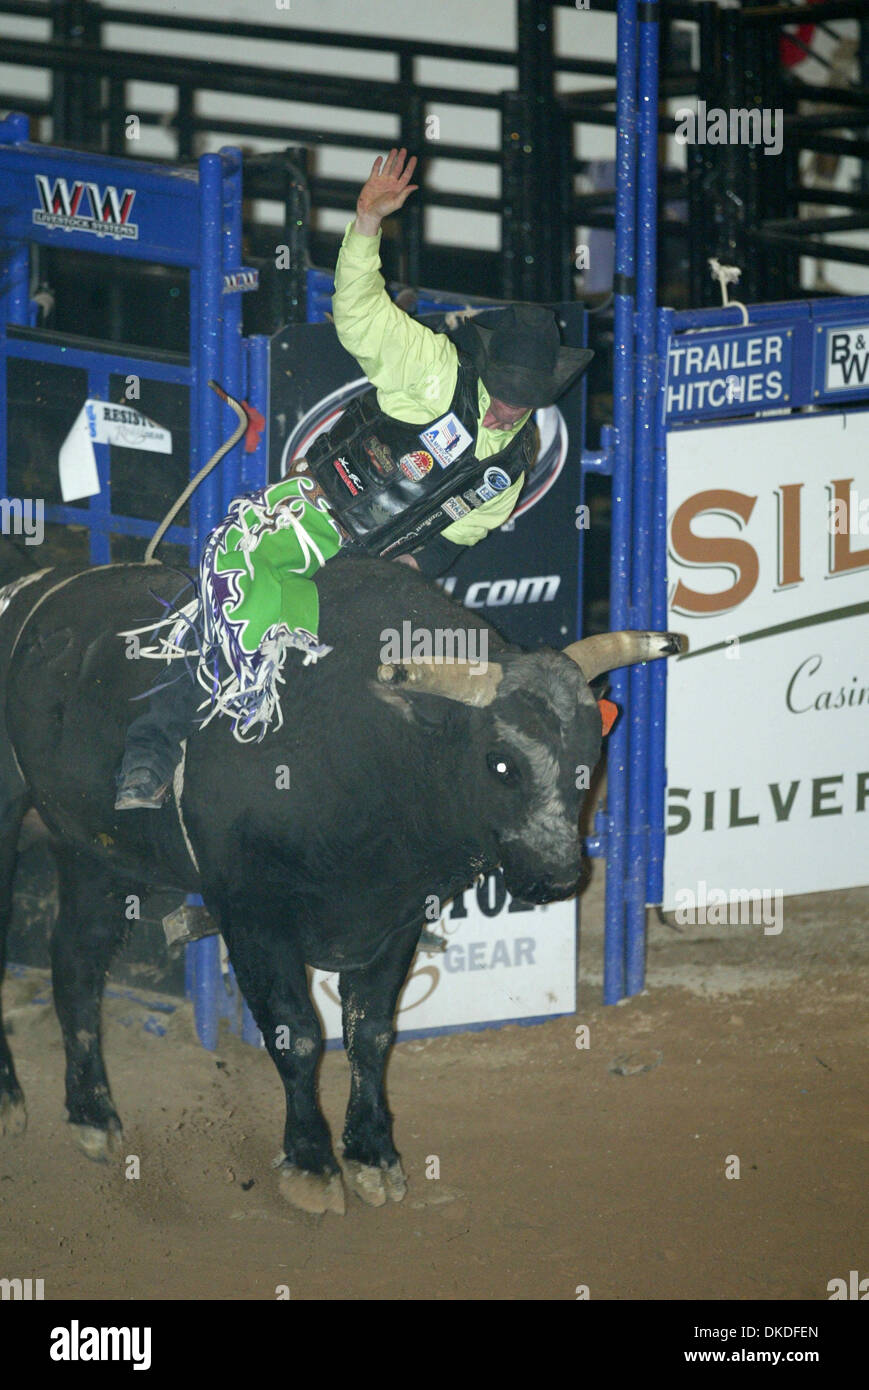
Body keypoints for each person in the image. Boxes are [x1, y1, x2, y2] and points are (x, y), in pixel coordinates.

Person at [115, 148, 592, 809]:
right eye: (504, 387)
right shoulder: (433, 371)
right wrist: (366, 222)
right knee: (234, 595)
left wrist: (415, 564)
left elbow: (468, 527)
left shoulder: (515, 462)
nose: (509, 403)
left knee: (383, 677)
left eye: (524, 394)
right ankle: (152, 751)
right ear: (486, 371)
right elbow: (360, 311)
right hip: (307, 518)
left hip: (375, 570)